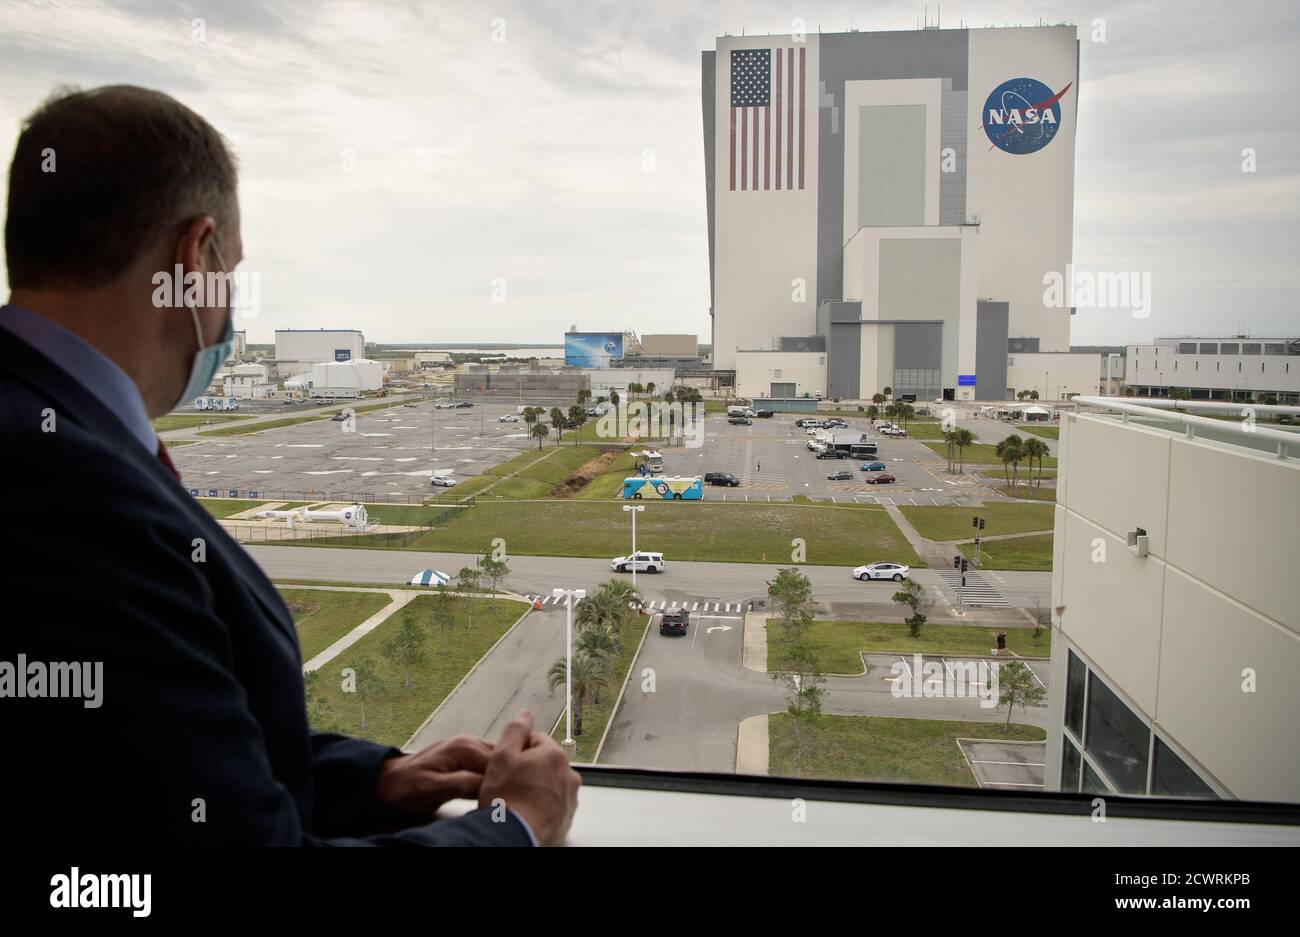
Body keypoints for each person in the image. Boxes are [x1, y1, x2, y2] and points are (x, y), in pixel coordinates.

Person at [0, 86, 579, 845]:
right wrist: (516, 826)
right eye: (229, 271)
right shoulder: (73, 497)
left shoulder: (50, 428)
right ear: (194, 253)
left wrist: (372, 781)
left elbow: (143, 766)